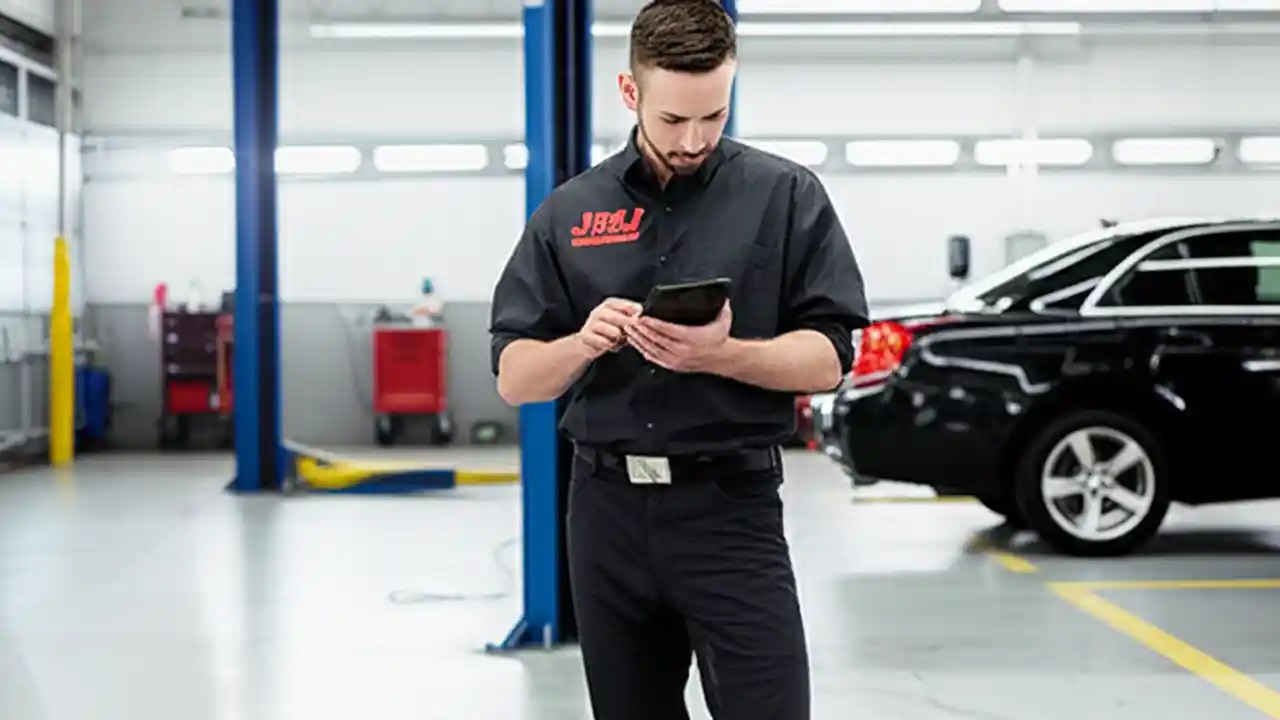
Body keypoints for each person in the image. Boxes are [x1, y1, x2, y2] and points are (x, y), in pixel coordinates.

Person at [489, 1, 869, 717]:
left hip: (730, 510)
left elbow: (829, 359)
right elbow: (515, 378)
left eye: (713, 116)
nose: (694, 139)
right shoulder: (570, 212)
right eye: (673, 120)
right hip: (605, 514)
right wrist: (581, 342)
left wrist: (721, 355)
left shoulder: (784, 197)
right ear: (630, 93)